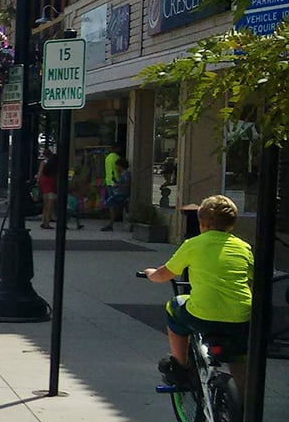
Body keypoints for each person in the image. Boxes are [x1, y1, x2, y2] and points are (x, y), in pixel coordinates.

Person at [143, 195, 253, 396]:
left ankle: (180, 365)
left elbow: (165, 274)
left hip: (202, 314)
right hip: (240, 316)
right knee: (237, 356)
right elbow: (252, 276)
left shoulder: (193, 244)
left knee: (174, 306)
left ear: (202, 223)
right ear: (232, 224)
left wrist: (151, 274)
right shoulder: (243, 247)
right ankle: (244, 402)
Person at [101, 158, 130, 231]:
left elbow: (127, 184)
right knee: (113, 207)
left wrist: (117, 185)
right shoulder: (122, 174)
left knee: (110, 204)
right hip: (119, 193)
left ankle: (111, 223)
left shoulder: (125, 174)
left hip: (121, 194)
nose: (116, 168)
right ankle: (111, 223)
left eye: (117, 166)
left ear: (121, 166)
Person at [37, 150, 59, 229]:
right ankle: (47, 222)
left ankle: (43, 221)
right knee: (50, 205)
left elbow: (39, 174)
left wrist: (38, 182)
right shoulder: (55, 164)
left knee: (45, 205)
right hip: (51, 182)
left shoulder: (43, 163)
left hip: (44, 181)